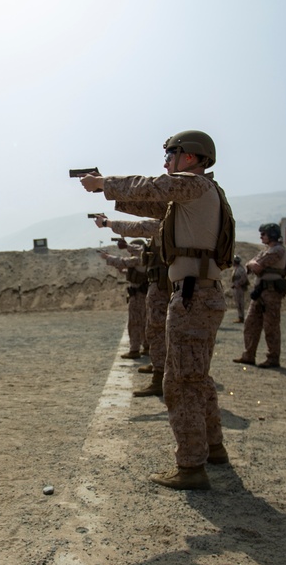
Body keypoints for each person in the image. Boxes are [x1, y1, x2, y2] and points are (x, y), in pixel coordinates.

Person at [79, 129, 230, 491]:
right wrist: (111, 208)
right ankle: (213, 448)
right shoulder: (196, 196)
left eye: (171, 156)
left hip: (193, 297)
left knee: (181, 381)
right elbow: (150, 211)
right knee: (196, 377)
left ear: (190, 158)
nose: (165, 163)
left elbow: (152, 187)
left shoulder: (193, 186)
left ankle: (191, 467)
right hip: (198, 294)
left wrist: (103, 183)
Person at [94, 215, 170, 397]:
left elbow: (132, 256)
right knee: (152, 327)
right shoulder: (155, 244)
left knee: (146, 326)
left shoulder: (160, 231)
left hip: (147, 292)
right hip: (149, 290)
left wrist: (108, 225)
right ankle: (157, 363)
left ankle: (154, 365)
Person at [233, 223, 286, 368]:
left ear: (272, 235)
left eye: (264, 234)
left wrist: (253, 264)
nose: (261, 236)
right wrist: (253, 264)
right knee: (250, 323)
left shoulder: (278, 250)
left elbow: (256, 266)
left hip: (271, 293)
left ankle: (273, 357)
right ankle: (249, 354)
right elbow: (249, 266)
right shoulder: (266, 250)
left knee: (271, 326)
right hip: (260, 291)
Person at [99, 239, 149, 360]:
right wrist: (122, 269)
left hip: (138, 295)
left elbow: (122, 261)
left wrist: (107, 257)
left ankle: (134, 349)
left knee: (134, 323)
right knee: (144, 322)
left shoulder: (139, 259)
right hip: (141, 295)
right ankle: (147, 347)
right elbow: (129, 269)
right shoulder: (145, 260)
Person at [230, 255, 248, 323]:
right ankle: (240, 316)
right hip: (236, 287)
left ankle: (241, 317)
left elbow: (244, 278)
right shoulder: (236, 269)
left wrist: (239, 284)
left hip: (240, 288)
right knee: (237, 302)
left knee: (240, 302)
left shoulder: (241, 269)